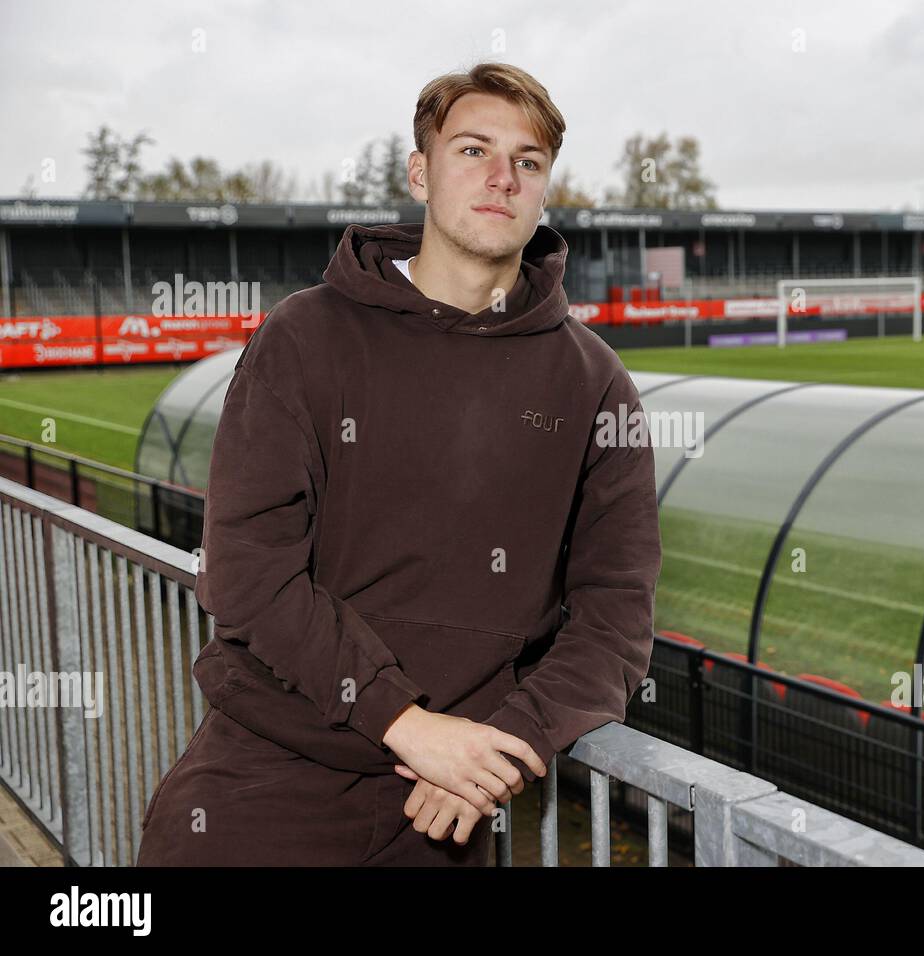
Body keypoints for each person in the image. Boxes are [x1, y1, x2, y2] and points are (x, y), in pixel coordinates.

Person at [136, 61, 662, 866]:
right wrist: (408, 726)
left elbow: (615, 621)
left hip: (441, 819)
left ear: (546, 190)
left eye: (527, 162)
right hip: (259, 792)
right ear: (419, 172)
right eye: (472, 151)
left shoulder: (595, 384)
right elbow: (247, 571)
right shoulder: (305, 337)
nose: (501, 178)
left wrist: (500, 748)